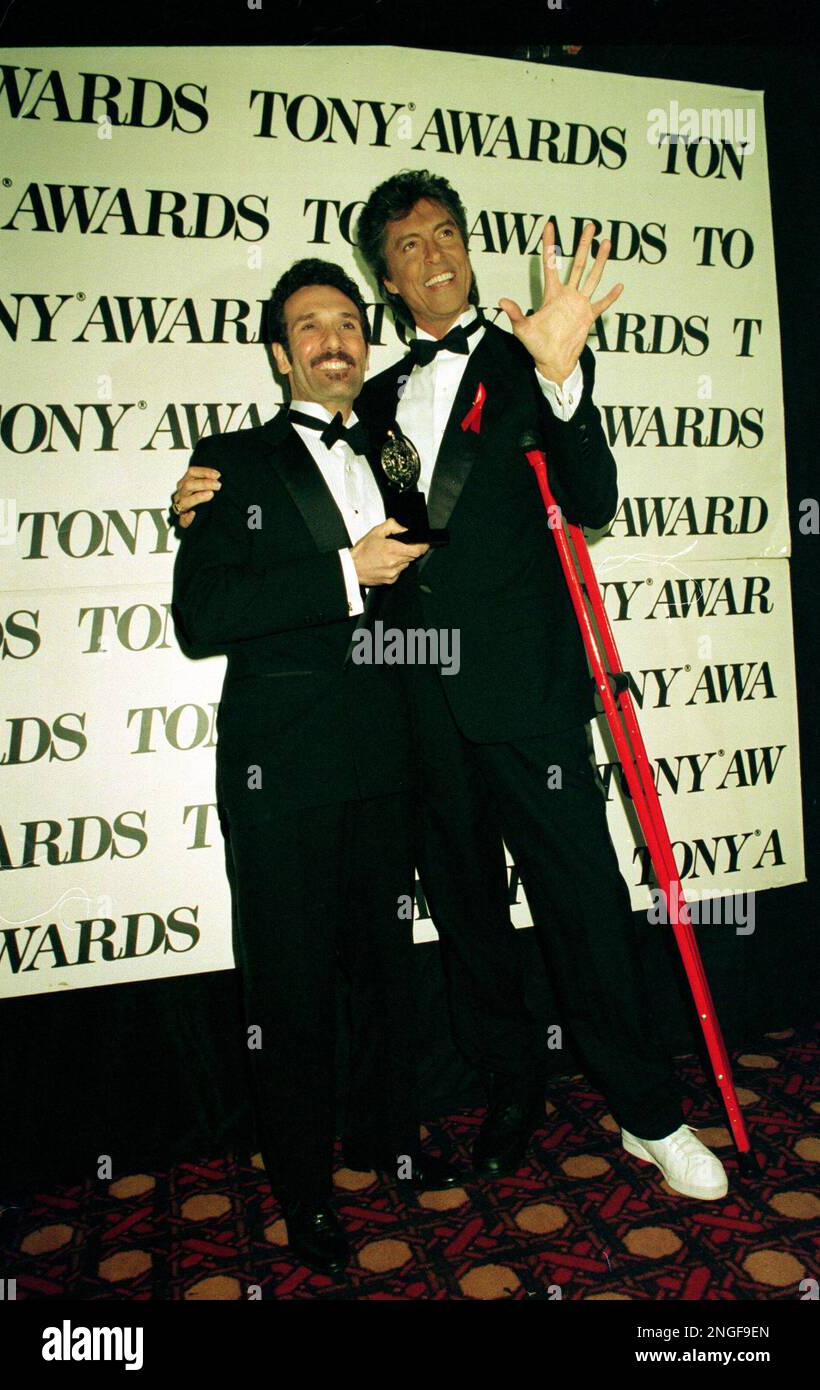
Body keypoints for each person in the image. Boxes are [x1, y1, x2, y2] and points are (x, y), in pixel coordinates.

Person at [173, 172, 728, 1202]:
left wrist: (564, 384)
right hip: (414, 707)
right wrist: (204, 497)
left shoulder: (530, 355)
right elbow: (314, 535)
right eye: (410, 246)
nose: (435, 255)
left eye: (447, 235)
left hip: (528, 694)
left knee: (586, 907)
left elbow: (593, 496)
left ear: (468, 248)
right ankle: (511, 1088)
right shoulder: (368, 401)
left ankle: (649, 1111)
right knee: (469, 920)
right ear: (388, 279)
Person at [171, 257, 459, 1277]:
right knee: (287, 992)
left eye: (348, 321)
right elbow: (203, 618)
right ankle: (301, 1189)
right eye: (309, 325)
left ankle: (389, 1138)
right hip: (282, 774)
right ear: (280, 349)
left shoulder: (396, 457)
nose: (333, 338)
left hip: (388, 762)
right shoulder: (230, 462)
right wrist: (345, 572)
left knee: (388, 974)